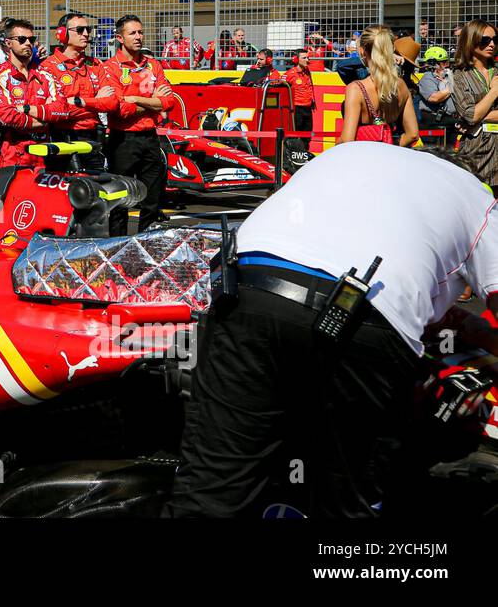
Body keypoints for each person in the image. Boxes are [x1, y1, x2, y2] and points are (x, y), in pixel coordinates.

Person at [168, 143, 498, 517]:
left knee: (211, 490)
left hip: (249, 287)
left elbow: (320, 251)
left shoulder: (354, 152)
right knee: (347, 497)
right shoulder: (477, 197)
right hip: (363, 318)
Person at [102, 15, 174, 234]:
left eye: (140, 32)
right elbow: (120, 109)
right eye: (132, 33)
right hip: (122, 139)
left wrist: (134, 99)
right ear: (119, 38)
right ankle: (116, 246)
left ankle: (146, 242)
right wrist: (153, 102)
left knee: (152, 199)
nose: (138, 37)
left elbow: (169, 102)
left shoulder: (153, 64)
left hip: (151, 138)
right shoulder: (110, 67)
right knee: (120, 200)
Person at [0, 18, 75, 168]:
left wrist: (27, 109)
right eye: (21, 39)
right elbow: (5, 116)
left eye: (31, 39)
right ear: (8, 43)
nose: (28, 43)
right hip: (12, 152)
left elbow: (63, 110)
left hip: (44, 152)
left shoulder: (45, 74)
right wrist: (43, 121)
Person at [40, 13, 120, 171]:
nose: (86, 33)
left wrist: (78, 102)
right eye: (80, 29)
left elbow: (112, 103)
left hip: (93, 138)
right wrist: (96, 103)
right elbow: (54, 110)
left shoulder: (96, 64)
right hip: (61, 138)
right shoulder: (48, 66)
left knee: (97, 189)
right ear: (62, 34)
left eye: (88, 29)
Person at [338, 25, 419, 146]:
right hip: (389, 157)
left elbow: (347, 141)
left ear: (361, 50)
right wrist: (388, 145)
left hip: (362, 158)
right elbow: (413, 134)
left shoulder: (356, 89)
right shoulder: (401, 85)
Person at [452, 19, 498, 187]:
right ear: (470, 41)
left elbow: (471, 116)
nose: (491, 44)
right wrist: (494, 92)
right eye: (485, 40)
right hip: (476, 152)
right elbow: (470, 115)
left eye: (495, 40)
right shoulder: (459, 76)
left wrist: (478, 116)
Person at [417, 46, 457, 147]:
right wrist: (451, 88)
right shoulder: (428, 78)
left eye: (446, 62)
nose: (446, 65)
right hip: (433, 122)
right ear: (433, 64)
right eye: (443, 62)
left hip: (449, 122)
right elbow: (434, 98)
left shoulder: (448, 77)